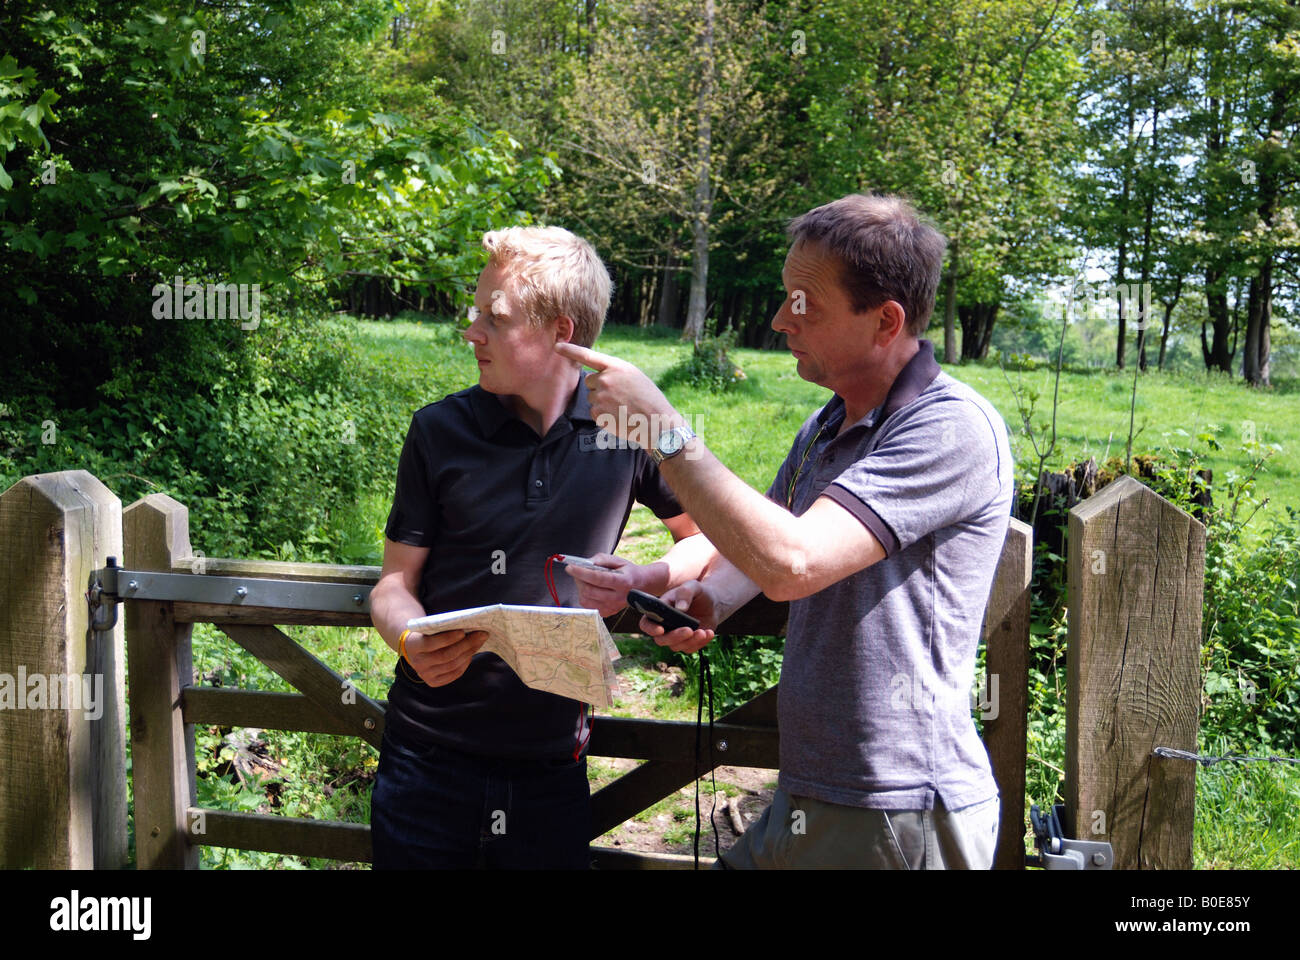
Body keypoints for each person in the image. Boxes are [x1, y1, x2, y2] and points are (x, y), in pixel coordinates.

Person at [555, 193, 1015, 869]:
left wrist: (664, 431)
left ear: (885, 322)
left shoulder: (951, 428)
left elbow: (793, 562)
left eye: (804, 304)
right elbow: (757, 549)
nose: (779, 320)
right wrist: (692, 594)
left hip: (896, 804)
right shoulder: (828, 424)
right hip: (815, 791)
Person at [368, 225, 712, 869]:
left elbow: (705, 541)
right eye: (474, 314)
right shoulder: (439, 429)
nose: (471, 333)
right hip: (423, 758)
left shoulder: (629, 425)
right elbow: (393, 585)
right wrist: (408, 636)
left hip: (551, 767)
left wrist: (650, 573)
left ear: (562, 331)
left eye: (493, 319)